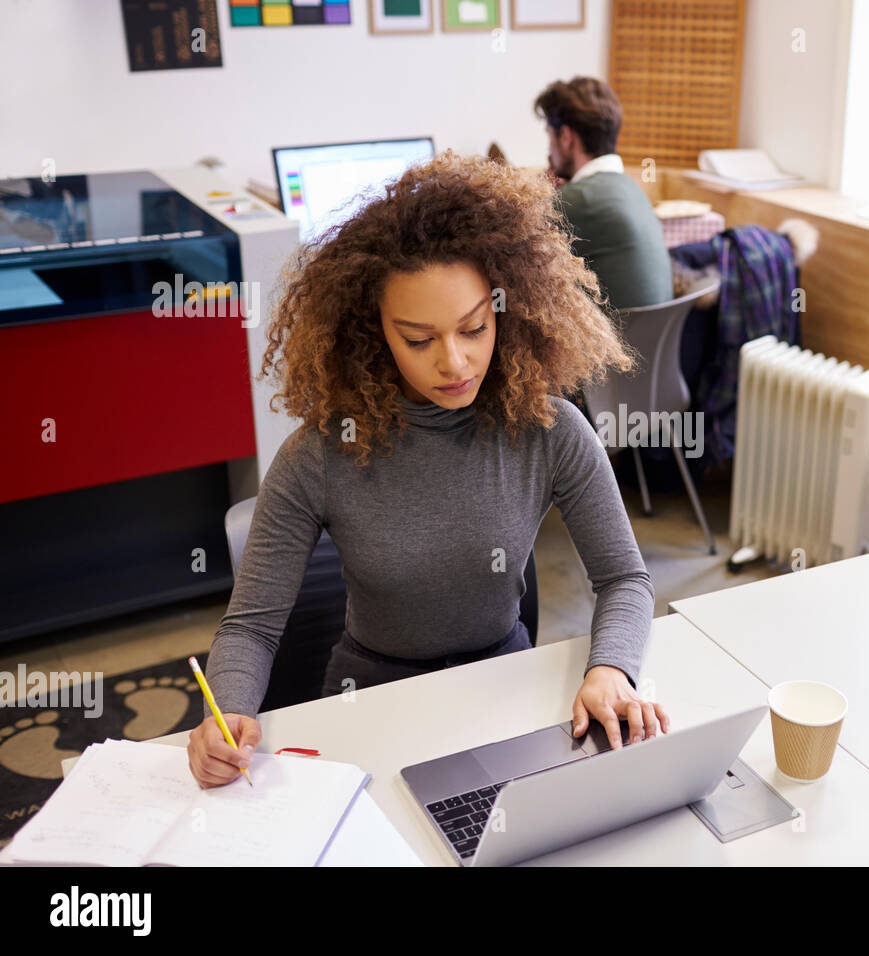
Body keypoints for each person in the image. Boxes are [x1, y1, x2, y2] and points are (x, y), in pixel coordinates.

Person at [187, 150, 668, 789]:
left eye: (475, 327)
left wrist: (610, 669)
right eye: (418, 339)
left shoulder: (550, 431)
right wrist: (226, 710)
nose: (455, 362)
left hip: (505, 693)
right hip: (371, 701)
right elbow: (252, 624)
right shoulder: (322, 453)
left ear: (509, 308)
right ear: (372, 331)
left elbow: (625, 579)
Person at [534, 76, 673, 310]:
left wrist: (542, 192)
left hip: (610, 344)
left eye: (550, 136)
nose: (548, 150)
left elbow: (508, 240)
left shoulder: (580, 199)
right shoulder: (632, 190)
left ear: (566, 137)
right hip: (650, 343)